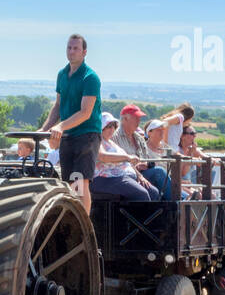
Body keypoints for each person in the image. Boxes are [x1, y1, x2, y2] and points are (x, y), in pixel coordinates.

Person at [41, 33, 102, 214]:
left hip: (87, 133)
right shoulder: (62, 74)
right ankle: (71, 222)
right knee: (68, 182)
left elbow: (85, 113)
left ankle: (84, 229)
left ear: (84, 52)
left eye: (76, 48)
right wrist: (44, 129)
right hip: (68, 134)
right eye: (69, 47)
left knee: (80, 181)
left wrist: (60, 126)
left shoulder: (90, 77)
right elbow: (58, 106)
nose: (72, 51)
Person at [92, 112, 160, 201]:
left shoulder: (111, 143)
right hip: (106, 178)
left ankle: (154, 214)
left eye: (114, 126)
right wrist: (127, 157)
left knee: (153, 192)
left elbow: (127, 163)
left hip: (123, 175)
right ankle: (142, 215)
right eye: (109, 126)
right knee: (141, 194)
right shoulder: (96, 140)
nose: (112, 129)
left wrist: (139, 176)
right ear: (101, 127)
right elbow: (103, 157)